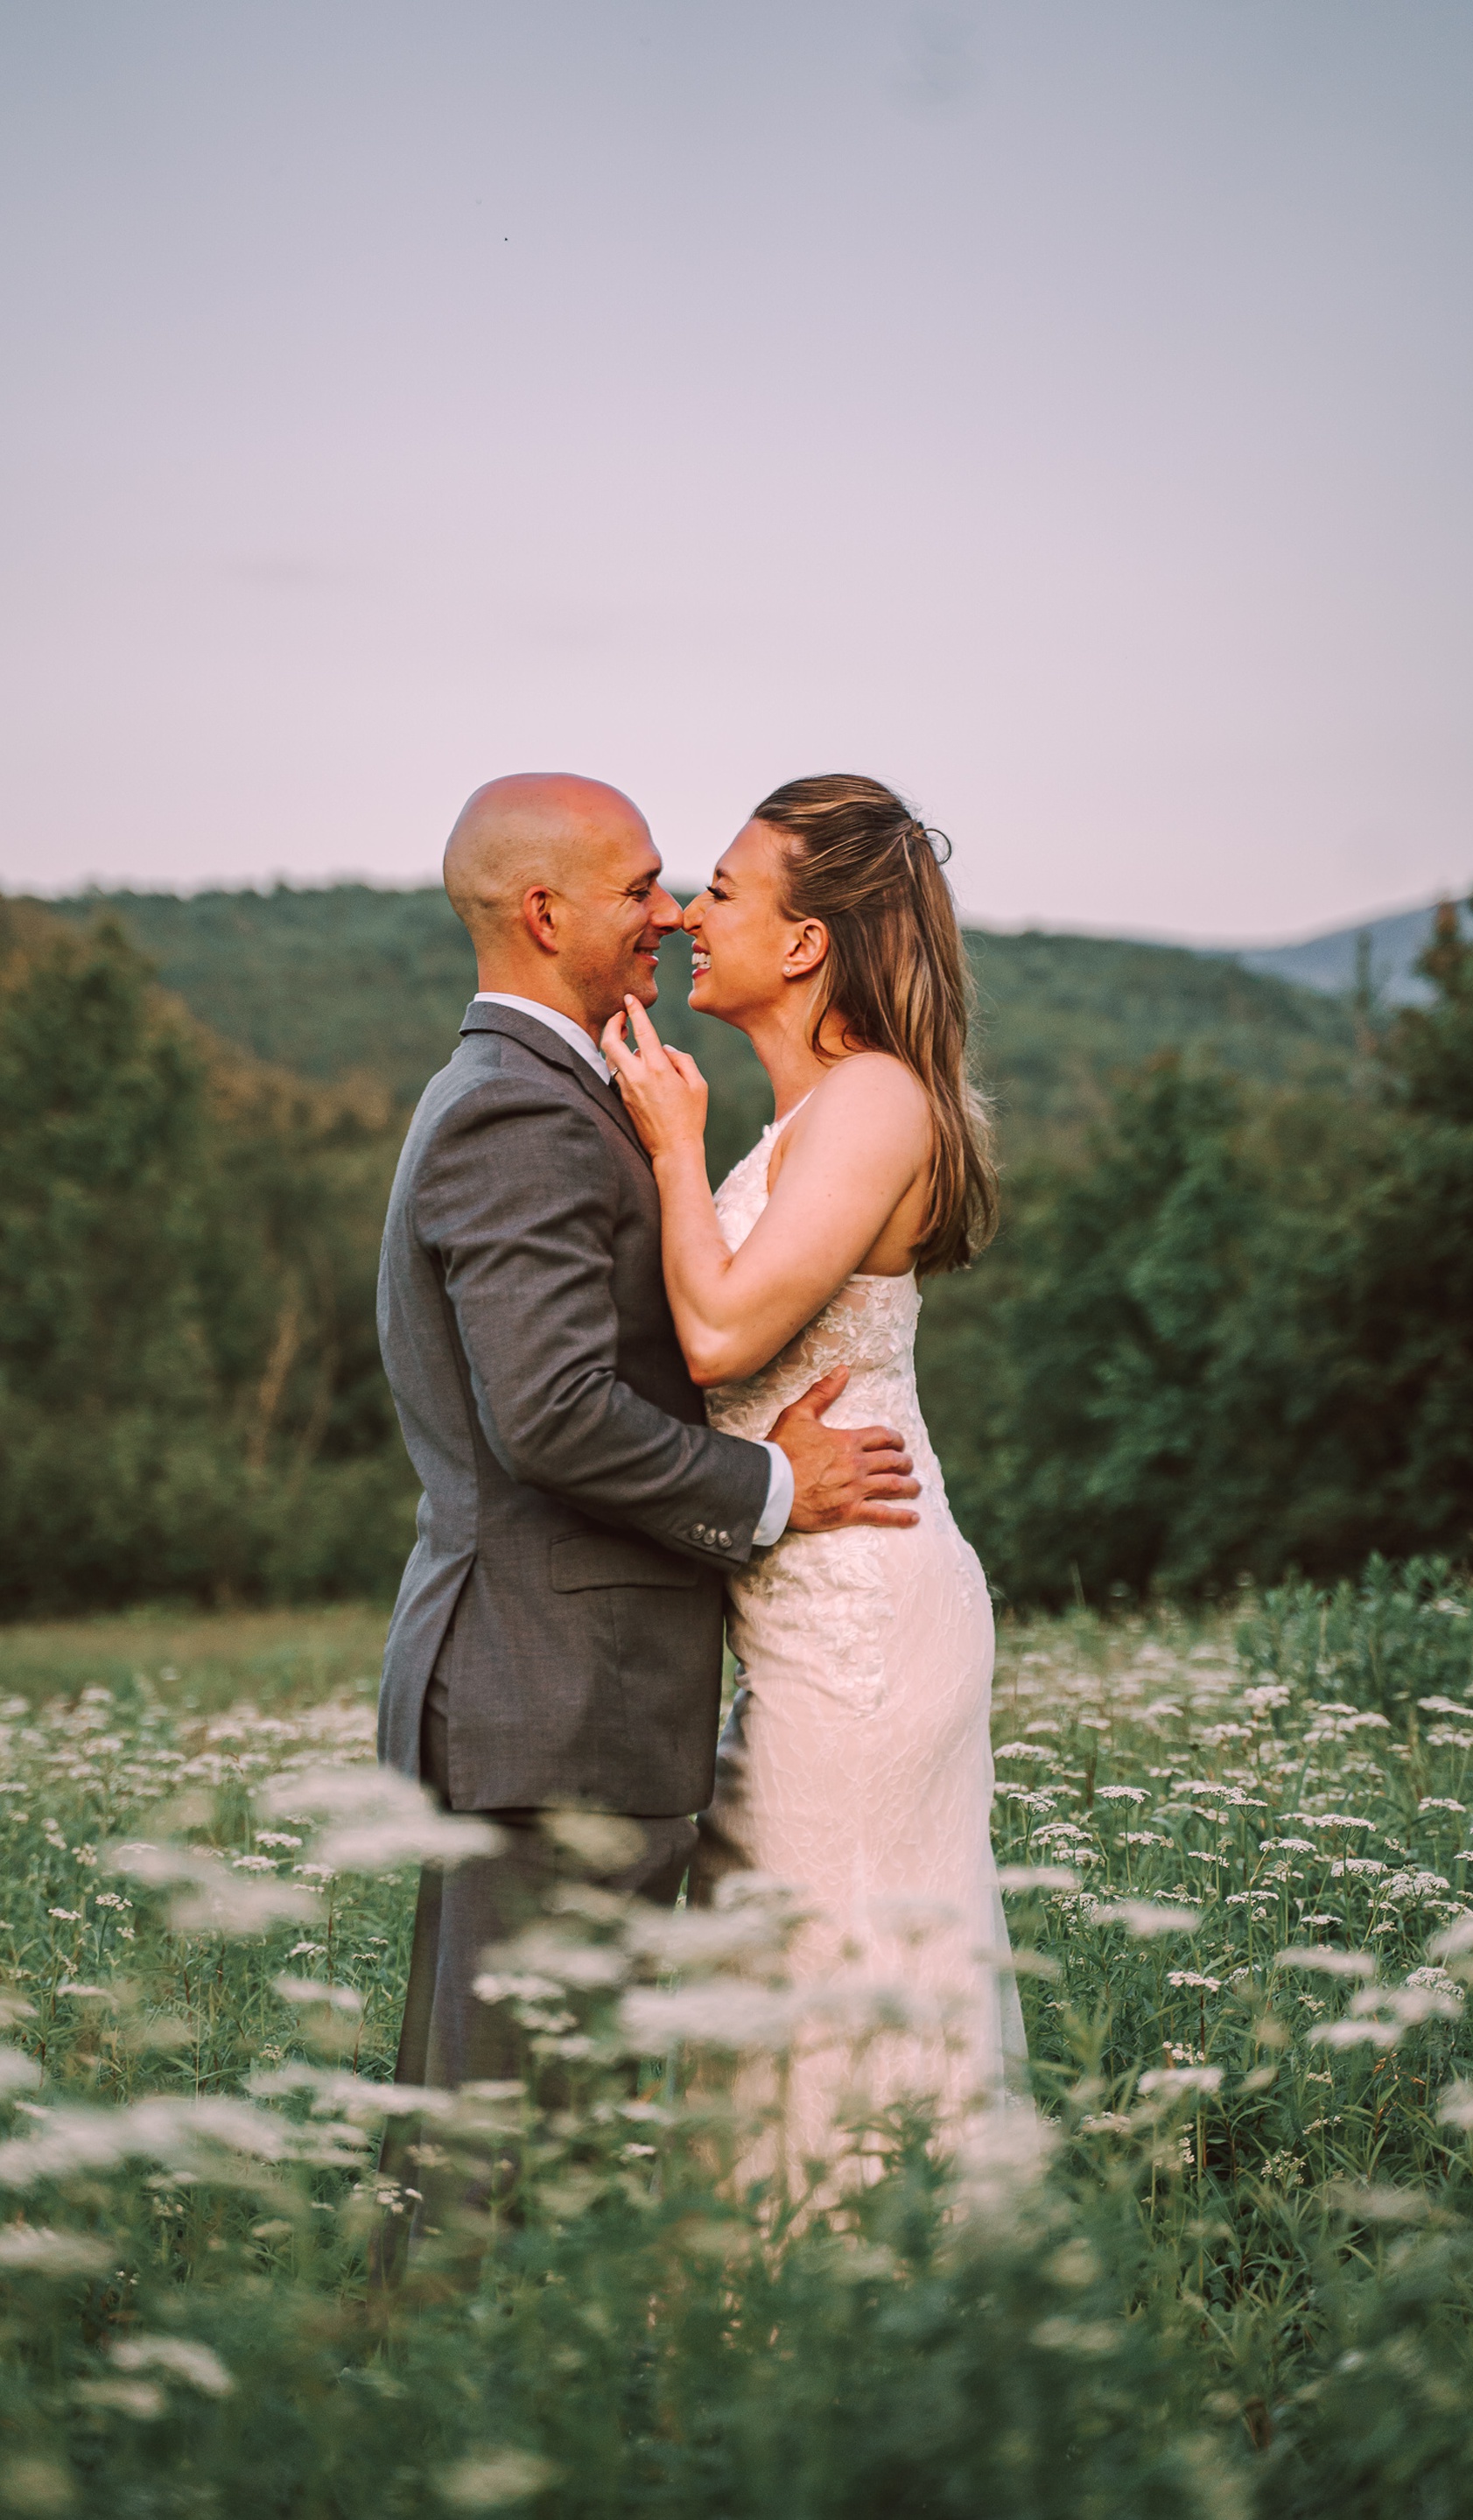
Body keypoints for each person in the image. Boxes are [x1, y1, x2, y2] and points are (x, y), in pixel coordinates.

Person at [374, 772, 924, 2137]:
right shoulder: (523, 1109)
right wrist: (777, 1488)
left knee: (517, 2121)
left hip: (567, 1700)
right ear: (546, 911)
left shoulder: (567, 1087)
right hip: (555, 1700)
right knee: (512, 2137)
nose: (670, 916)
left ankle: (466, 2349)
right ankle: (447, 2356)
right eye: (643, 888)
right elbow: (553, 1414)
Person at [600, 773, 1028, 2171]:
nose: (683, 915)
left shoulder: (873, 1100)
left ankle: (855, 2319)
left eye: (720, 890)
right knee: (774, 1972)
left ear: (803, 944)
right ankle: (787, 2331)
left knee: (829, 1982)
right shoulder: (820, 1118)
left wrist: (671, 1146)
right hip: (806, 1601)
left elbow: (721, 1332)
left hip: (863, 1617)